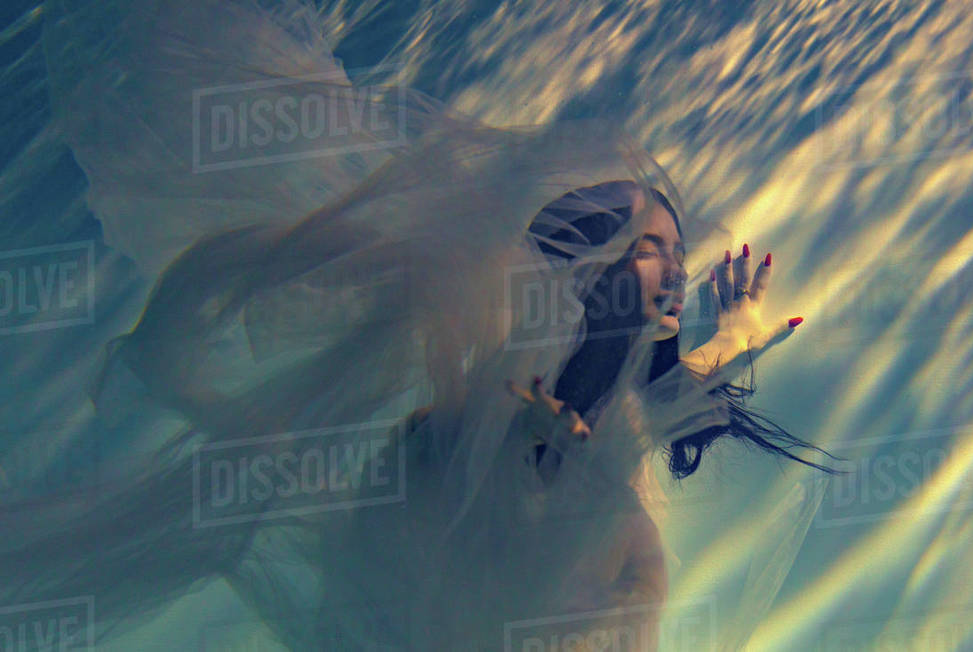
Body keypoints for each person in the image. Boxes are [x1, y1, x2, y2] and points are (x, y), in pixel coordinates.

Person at [2, 0, 837, 648]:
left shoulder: (609, 386)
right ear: (585, 275)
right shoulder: (467, 411)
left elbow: (663, 396)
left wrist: (736, 331)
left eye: (675, 249)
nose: (678, 267)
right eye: (652, 248)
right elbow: (470, 587)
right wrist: (538, 491)